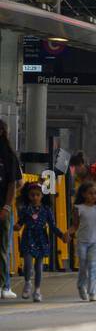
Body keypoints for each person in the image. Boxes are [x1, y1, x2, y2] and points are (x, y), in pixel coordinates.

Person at [16, 181, 67, 302]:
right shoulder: (25, 209)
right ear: (28, 196)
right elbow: (20, 222)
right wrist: (17, 226)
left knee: (39, 266)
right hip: (28, 237)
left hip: (41, 238)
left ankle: (37, 290)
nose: (35, 197)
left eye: (37, 195)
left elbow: (53, 226)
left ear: (42, 196)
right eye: (32, 195)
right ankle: (28, 282)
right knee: (28, 264)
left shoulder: (46, 210)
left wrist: (61, 235)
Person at [71, 180, 96, 301]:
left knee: (92, 265)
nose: (93, 196)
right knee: (83, 265)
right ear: (83, 194)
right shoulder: (78, 208)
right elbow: (75, 225)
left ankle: (93, 292)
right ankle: (81, 285)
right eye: (90, 193)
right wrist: (67, 232)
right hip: (82, 241)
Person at [0, 119, 19, 300]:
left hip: (2, 208)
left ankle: (5, 285)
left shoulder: (8, 155)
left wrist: (6, 206)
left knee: (3, 247)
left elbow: (14, 183)